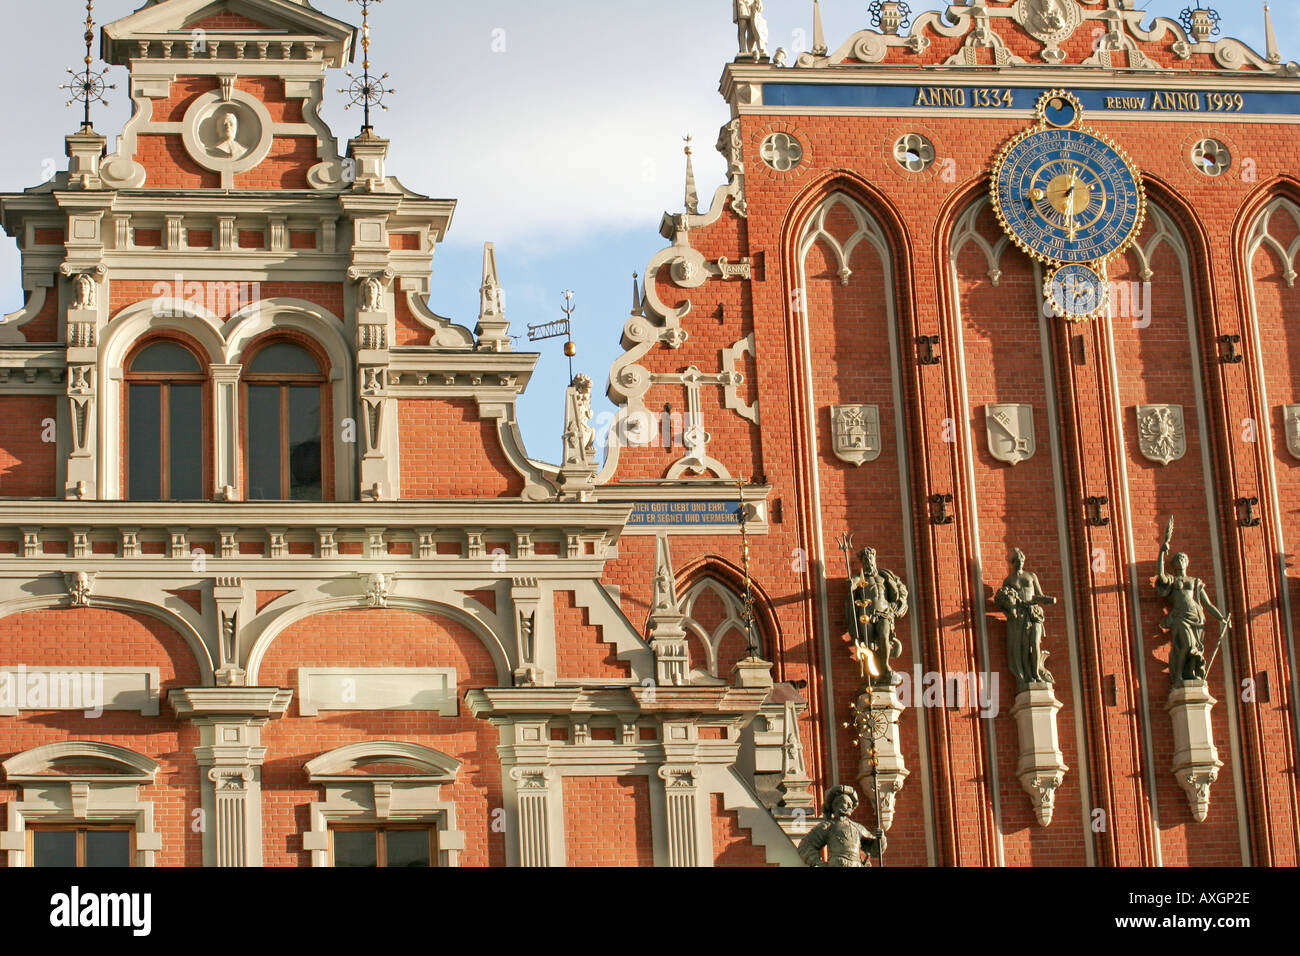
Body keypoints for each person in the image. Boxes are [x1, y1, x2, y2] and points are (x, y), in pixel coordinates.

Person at [1156, 540, 1230, 685]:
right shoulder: (1172, 580)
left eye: (1183, 559)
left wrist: (1221, 618)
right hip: (1180, 616)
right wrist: (1161, 554)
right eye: (1178, 559)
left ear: (1187, 562)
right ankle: (1177, 676)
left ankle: (1190, 673)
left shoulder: (1195, 581)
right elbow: (1161, 575)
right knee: (1186, 645)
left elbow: (1207, 604)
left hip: (1196, 616)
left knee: (1194, 648)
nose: (1181, 561)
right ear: (1174, 564)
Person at [994, 548, 1057, 690]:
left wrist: (1046, 599)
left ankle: (1036, 673)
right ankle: (1027, 674)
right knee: (1022, 646)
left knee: (1035, 643)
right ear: (1012, 563)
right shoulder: (1009, 581)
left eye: (1022, 560)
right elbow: (1003, 600)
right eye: (1017, 561)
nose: (1020, 563)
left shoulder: (1031, 576)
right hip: (1020, 615)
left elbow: (1038, 594)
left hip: (1034, 612)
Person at [847, 547, 908, 685]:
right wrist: (851, 585)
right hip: (867, 614)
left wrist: (897, 603)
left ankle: (885, 667)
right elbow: (853, 585)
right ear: (863, 563)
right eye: (866, 560)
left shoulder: (884, 576)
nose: (869, 562)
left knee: (884, 636)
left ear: (874, 560)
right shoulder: (860, 578)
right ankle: (872, 672)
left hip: (884, 612)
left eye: (871, 559)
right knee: (868, 644)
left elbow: (901, 588)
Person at [797, 784, 885, 867]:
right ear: (835, 805)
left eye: (851, 803)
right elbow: (806, 845)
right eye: (846, 802)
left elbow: (874, 849)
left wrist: (880, 838)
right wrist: (818, 863)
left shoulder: (857, 828)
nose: (850, 805)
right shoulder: (827, 826)